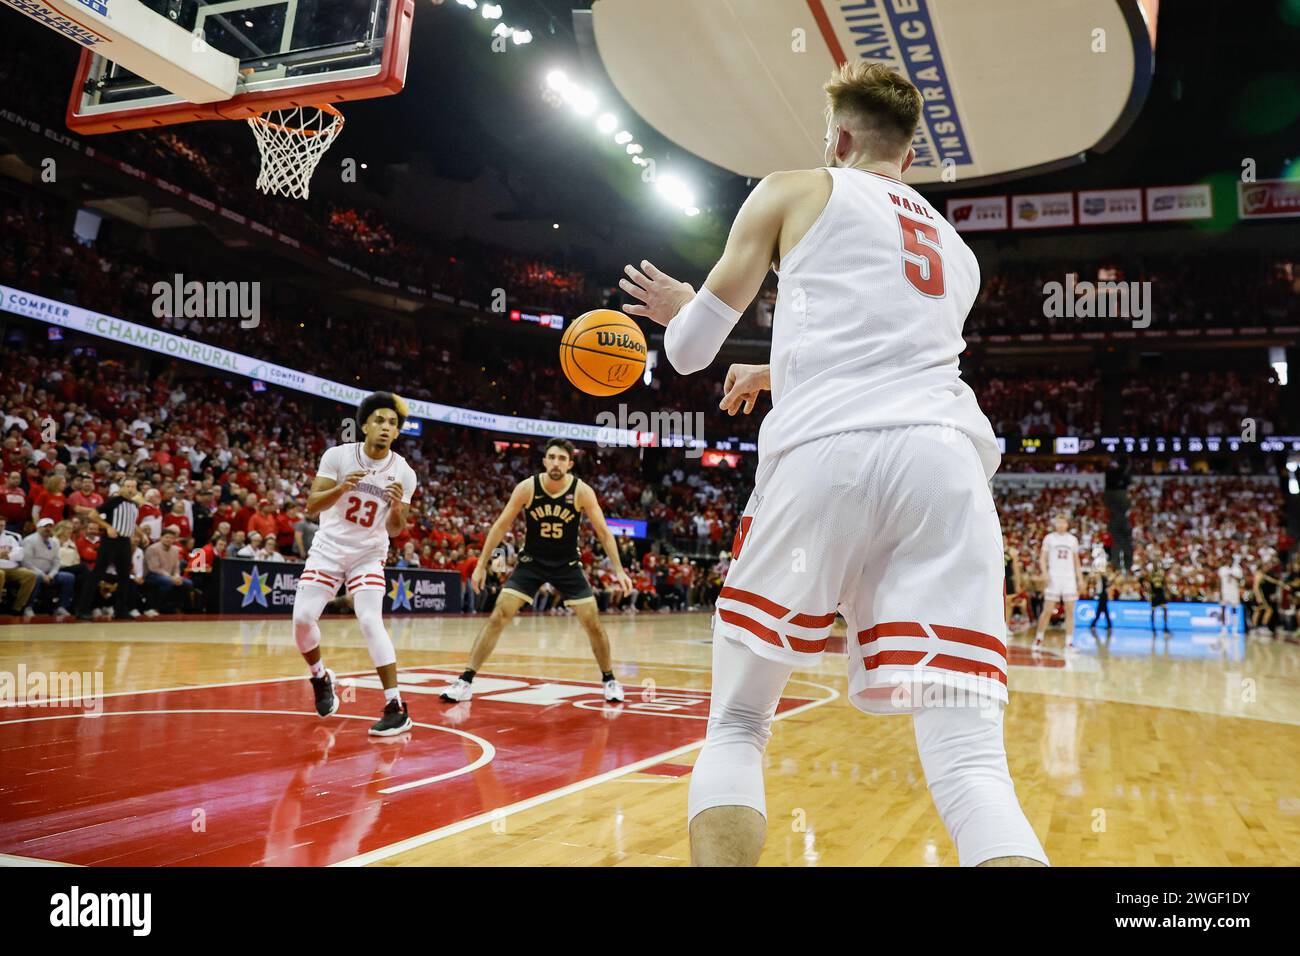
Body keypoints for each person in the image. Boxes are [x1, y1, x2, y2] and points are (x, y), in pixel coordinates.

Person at [617, 61, 1046, 866]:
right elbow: (887, 349)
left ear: (839, 139)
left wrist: (682, 314)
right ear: (908, 157)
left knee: (740, 726)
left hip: (826, 463)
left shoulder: (792, 187)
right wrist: (779, 369)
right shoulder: (958, 252)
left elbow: (689, 352)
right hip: (947, 465)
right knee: (974, 768)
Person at [441, 439, 635, 704]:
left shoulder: (582, 491)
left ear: (570, 463)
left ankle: (610, 679)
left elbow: (603, 532)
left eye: (561, 458)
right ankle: (465, 680)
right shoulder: (528, 487)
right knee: (499, 614)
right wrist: (482, 565)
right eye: (551, 457)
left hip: (567, 565)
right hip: (531, 563)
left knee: (593, 622)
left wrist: (619, 570)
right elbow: (500, 526)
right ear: (545, 461)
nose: (556, 462)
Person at [292, 392, 417, 736]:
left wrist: (395, 508)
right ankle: (320, 677)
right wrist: (341, 488)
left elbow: (396, 528)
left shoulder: (404, 473)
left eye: (392, 423)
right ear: (364, 425)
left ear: (396, 433)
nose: (385, 427)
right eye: (379, 420)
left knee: (369, 619)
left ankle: (396, 706)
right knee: (302, 620)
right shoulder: (338, 456)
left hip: (368, 554)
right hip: (329, 549)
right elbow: (312, 506)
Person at [74, 478, 142, 621]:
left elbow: (131, 523)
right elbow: (93, 514)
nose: (130, 489)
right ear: (122, 488)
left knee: (124, 576)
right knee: (97, 574)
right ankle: (82, 609)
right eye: (127, 486)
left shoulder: (135, 505)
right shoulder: (115, 500)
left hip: (125, 541)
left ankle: (120, 610)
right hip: (110, 541)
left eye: (133, 486)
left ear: (136, 490)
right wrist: (108, 527)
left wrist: (143, 535)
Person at [1034, 514, 1083, 649]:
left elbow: (1076, 561)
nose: (1061, 525)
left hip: (1069, 578)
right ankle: (1039, 638)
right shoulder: (1049, 538)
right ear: (1055, 524)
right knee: (1047, 610)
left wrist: (1080, 579)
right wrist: (1044, 573)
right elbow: (1042, 558)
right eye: (1059, 522)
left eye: (1064, 523)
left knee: (1070, 611)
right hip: (1054, 577)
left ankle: (1069, 642)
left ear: (1067, 524)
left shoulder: (1072, 540)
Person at [21, 517, 76, 618]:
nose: (48, 529)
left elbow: (57, 562)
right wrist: (42, 575)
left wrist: (51, 575)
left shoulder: (54, 542)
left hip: (49, 574)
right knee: (35, 577)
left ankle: (61, 607)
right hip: (33, 572)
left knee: (68, 577)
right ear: (38, 528)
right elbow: (26, 562)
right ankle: (29, 607)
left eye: (50, 527)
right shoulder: (29, 540)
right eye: (45, 526)